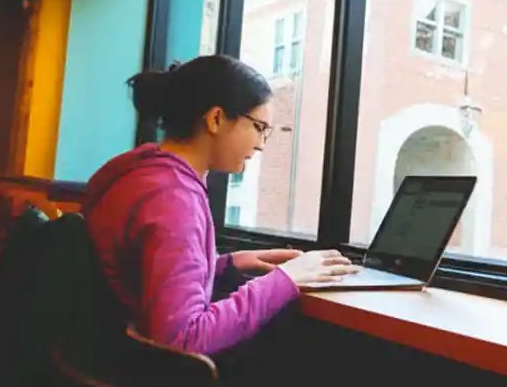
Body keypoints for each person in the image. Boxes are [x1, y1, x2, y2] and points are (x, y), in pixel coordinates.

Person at [83, 54, 359, 357]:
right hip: (140, 372)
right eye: (258, 127)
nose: (261, 144)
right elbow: (183, 339)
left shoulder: (143, 172)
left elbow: (147, 273)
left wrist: (227, 263)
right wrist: (286, 281)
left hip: (101, 351)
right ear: (215, 119)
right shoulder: (173, 198)